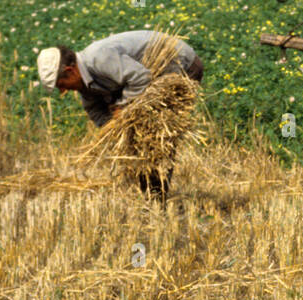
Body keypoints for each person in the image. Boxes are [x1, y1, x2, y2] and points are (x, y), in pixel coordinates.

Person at [37, 31, 203, 194]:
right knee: (135, 136)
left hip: (177, 64)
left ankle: (155, 196)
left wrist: (122, 108)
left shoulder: (99, 59)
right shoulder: (84, 83)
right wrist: (112, 128)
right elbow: (94, 110)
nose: (63, 91)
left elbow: (141, 78)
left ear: (70, 70)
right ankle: (149, 193)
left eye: (61, 84)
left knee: (156, 136)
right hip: (147, 79)